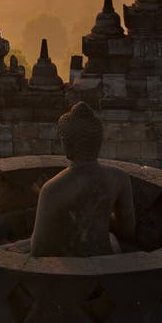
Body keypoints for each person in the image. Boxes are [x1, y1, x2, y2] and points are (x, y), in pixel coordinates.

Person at [29, 101, 135, 256]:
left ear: (66, 143)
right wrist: (99, 214)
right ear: (98, 142)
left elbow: (38, 249)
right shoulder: (120, 178)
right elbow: (127, 231)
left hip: (69, 266)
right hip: (105, 256)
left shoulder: (51, 189)